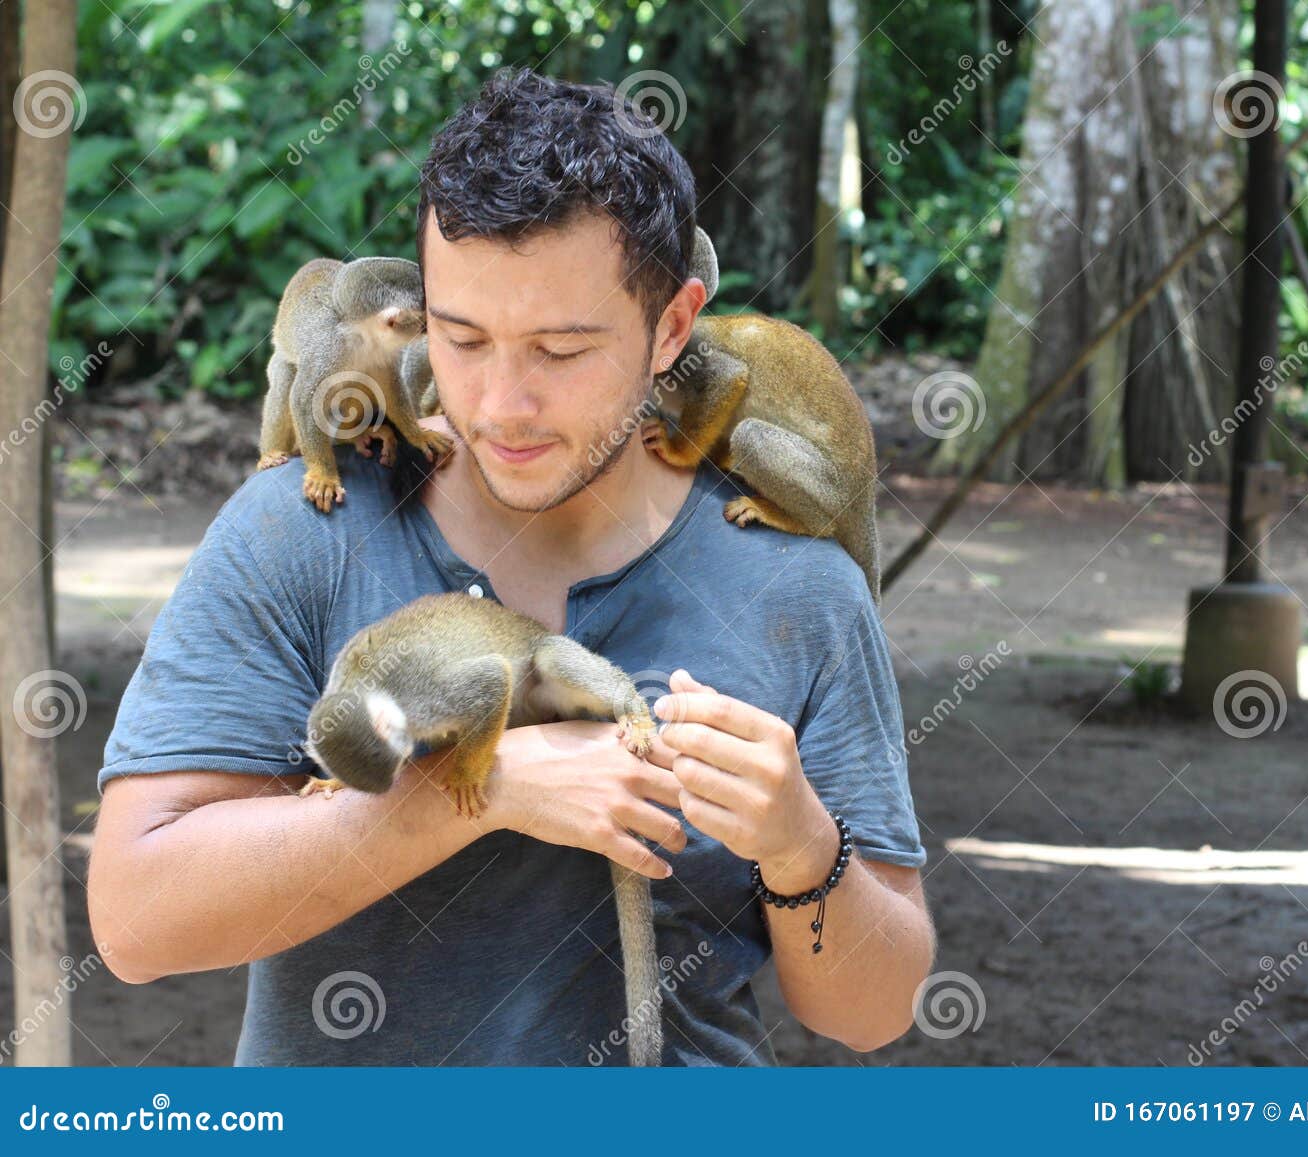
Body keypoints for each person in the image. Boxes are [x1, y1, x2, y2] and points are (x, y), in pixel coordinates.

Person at [87, 67, 933, 1066]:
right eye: (463, 338)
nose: (501, 404)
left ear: (672, 327)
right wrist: (485, 790)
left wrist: (799, 843)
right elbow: (136, 920)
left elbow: (871, 1010)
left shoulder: (792, 581)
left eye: (560, 351)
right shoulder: (305, 530)